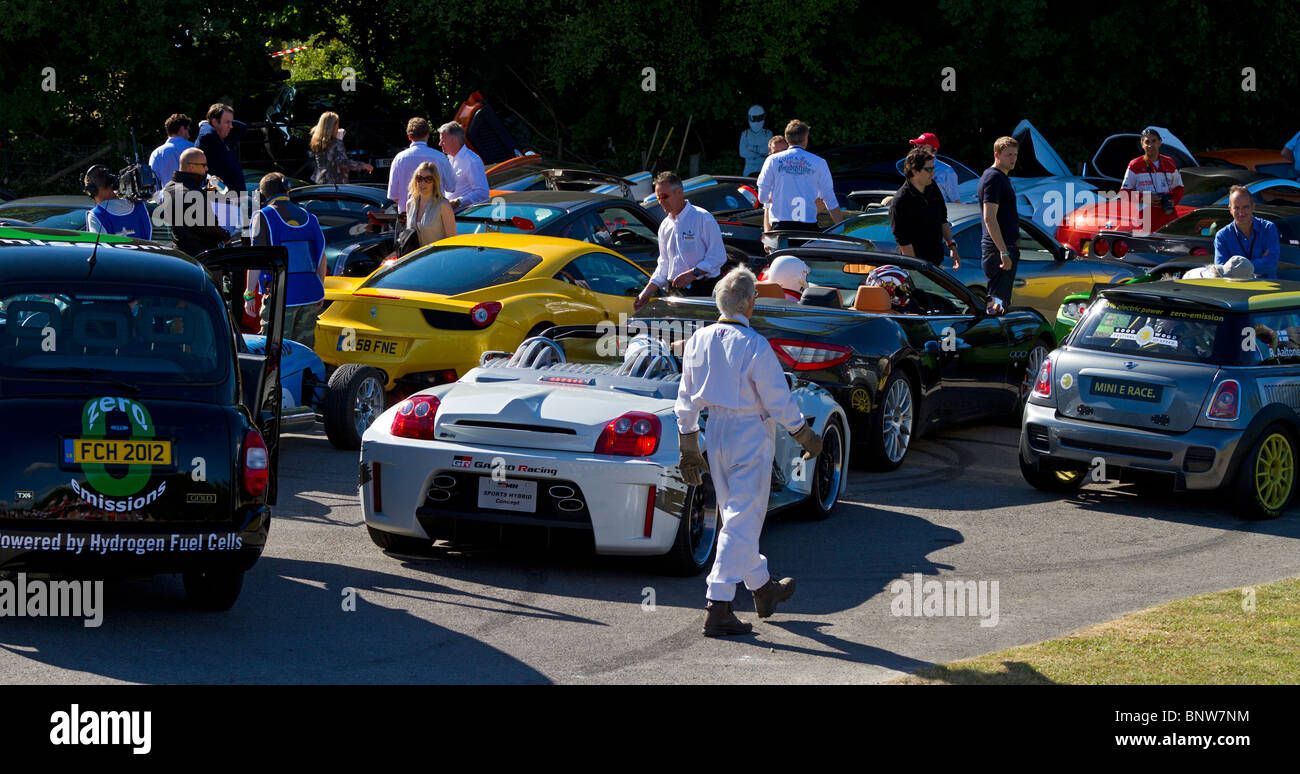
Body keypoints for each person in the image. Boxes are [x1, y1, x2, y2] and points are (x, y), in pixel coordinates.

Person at [675, 266, 823, 637]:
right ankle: (718, 603)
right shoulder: (754, 344)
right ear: (748, 302)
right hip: (750, 433)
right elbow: (778, 399)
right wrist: (804, 435)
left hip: (717, 432)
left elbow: (686, 398)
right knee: (742, 518)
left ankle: (761, 587)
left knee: (736, 517)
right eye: (755, 297)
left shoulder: (698, 340)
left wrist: (689, 444)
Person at [244, 173, 326, 347]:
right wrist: (320, 289)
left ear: (263, 193)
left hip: (280, 298)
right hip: (309, 296)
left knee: (275, 353)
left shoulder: (263, 216)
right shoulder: (310, 218)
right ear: (287, 189)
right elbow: (321, 258)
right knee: (303, 352)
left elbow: (257, 259)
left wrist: (249, 294)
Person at [634, 172, 727, 310]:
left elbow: (718, 256)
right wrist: (646, 293)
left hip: (702, 292)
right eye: (658, 198)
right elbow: (664, 265)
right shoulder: (665, 225)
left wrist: (693, 274)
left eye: (665, 196)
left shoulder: (702, 218)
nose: (661, 202)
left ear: (679, 192)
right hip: (675, 293)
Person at [756, 119, 843, 233]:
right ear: (805, 138)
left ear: (787, 139)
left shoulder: (772, 160)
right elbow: (830, 199)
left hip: (780, 229)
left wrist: (771, 198)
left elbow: (762, 198)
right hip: (808, 228)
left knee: (782, 251)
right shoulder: (819, 162)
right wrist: (842, 229)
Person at [889, 147, 960, 269]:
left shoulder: (933, 188)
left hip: (936, 265)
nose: (933, 173)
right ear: (915, 171)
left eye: (933, 168)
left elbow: (942, 219)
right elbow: (904, 243)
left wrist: (951, 245)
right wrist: (918, 273)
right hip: (916, 268)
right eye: (929, 169)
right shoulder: (900, 201)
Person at [157, 147, 232, 257]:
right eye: (204, 165)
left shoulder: (169, 187)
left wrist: (206, 191)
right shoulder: (192, 193)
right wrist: (226, 237)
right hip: (202, 257)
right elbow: (209, 226)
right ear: (192, 167)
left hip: (181, 254)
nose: (207, 168)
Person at [978, 136, 1021, 315]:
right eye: (1008, 155)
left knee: (1001, 303)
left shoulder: (1002, 178)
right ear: (997, 155)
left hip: (1004, 247)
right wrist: (1003, 252)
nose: (1013, 159)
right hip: (997, 249)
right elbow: (989, 218)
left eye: (1015, 155)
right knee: (995, 306)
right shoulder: (993, 178)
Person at [388, 118, 455, 217]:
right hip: (435, 215)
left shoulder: (399, 159)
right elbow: (451, 187)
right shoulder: (440, 157)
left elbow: (393, 195)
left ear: (409, 137)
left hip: (407, 215)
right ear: (428, 135)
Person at [1214, 186, 1280, 279]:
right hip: (1237, 290)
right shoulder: (1222, 236)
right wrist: (1258, 265)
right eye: (1236, 208)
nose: (1241, 213)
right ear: (1230, 209)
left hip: (1266, 289)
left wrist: (1236, 268)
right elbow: (1222, 272)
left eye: (1245, 207)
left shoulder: (1268, 228)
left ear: (1253, 207)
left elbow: (1271, 264)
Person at [1120, 128, 1184, 216]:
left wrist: (1174, 200)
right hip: (1144, 218)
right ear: (1142, 144)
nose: (1150, 145)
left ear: (1160, 142)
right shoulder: (1135, 165)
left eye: (1153, 141)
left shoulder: (1169, 162)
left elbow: (1179, 187)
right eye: (1147, 142)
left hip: (1168, 215)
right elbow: (1124, 193)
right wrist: (1143, 198)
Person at [83, 165, 152, 240]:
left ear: (91, 191)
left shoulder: (96, 215)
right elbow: (147, 235)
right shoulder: (139, 206)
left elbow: (100, 249)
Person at [196, 103, 248, 193]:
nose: (231, 126)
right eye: (227, 122)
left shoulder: (226, 138)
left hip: (237, 196)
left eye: (231, 122)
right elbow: (208, 133)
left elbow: (243, 127)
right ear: (215, 122)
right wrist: (204, 124)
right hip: (223, 198)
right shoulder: (207, 139)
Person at [310, 111, 373, 184]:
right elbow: (343, 163)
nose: (338, 127)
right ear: (332, 126)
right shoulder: (336, 143)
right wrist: (363, 165)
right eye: (337, 124)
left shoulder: (317, 141)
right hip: (336, 183)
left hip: (320, 181)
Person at [438, 121, 490, 209]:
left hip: (466, 217)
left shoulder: (472, 161)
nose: (440, 143)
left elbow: (482, 193)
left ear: (454, 140)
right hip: (452, 215)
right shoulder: (450, 159)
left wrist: (457, 202)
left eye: (443, 140)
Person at [405, 161, 456, 247]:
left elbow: (452, 240)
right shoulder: (410, 204)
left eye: (428, 179)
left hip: (438, 258)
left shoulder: (443, 205)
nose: (423, 183)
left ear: (435, 182)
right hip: (416, 258)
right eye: (419, 178)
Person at [148, 113, 193, 202]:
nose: (189, 134)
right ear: (181, 129)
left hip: (169, 203)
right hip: (193, 200)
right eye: (188, 129)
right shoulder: (194, 149)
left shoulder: (156, 154)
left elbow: (152, 186)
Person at [905, 133, 959, 203]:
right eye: (916, 147)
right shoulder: (913, 167)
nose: (918, 150)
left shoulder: (947, 171)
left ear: (934, 150)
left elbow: (956, 202)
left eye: (922, 147)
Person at [738, 105, 772, 176]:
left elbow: (768, 150)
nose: (756, 122)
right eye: (754, 118)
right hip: (749, 171)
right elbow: (743, 152)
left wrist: (751, 148)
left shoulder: (768, 133)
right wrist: (760, 151)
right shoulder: (745, 134)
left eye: (759, 118)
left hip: (764, 170)